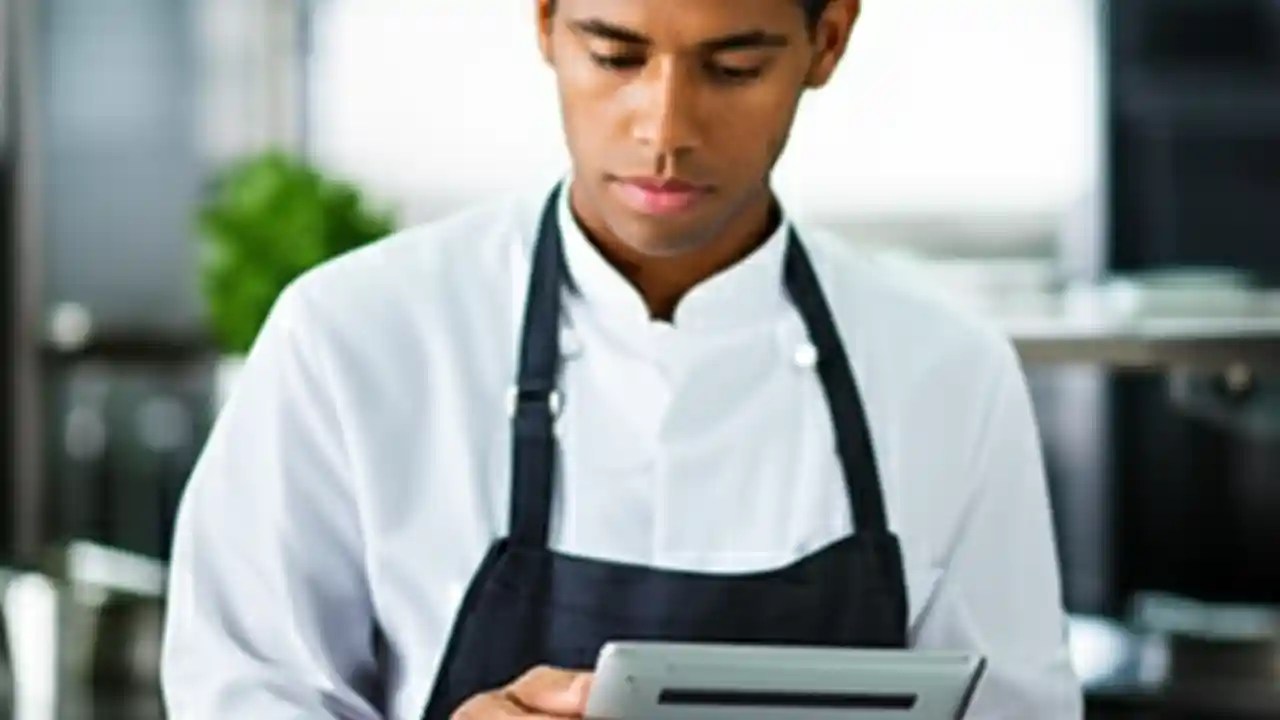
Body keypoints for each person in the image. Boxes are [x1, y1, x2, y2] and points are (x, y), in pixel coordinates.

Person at [160, 0, 1084, 717]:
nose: (665, 129)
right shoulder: (349, 336)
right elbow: (240, 692)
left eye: (734, 67)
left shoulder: (949, 374)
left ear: (829, 40)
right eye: (615, 55)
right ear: (545, 23)